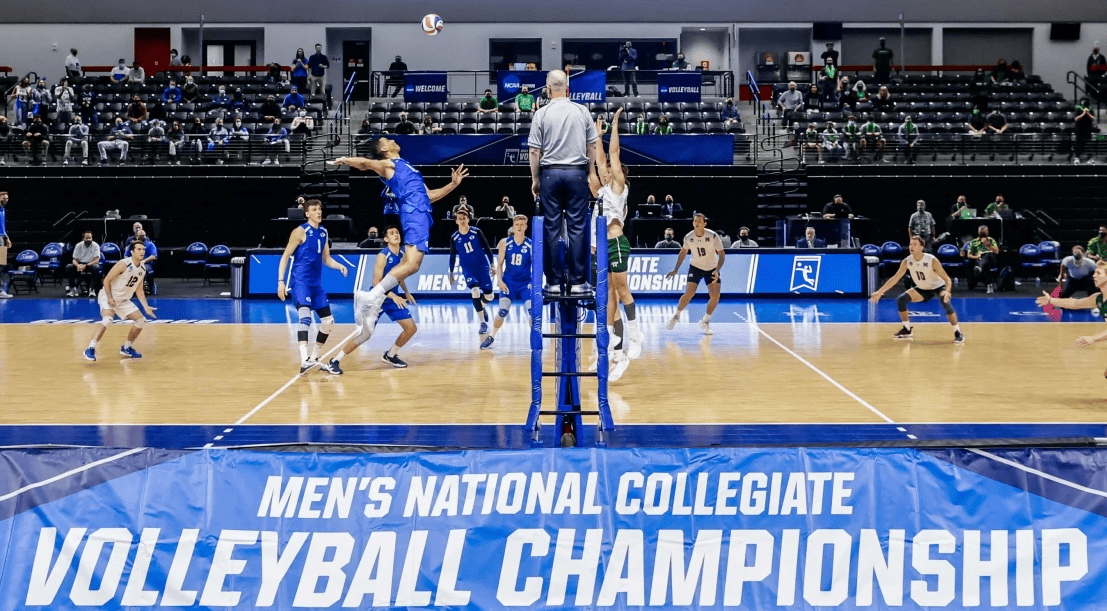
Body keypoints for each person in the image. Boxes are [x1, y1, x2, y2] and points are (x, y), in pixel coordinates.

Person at [331, 142, 468, 341]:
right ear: (385, 149)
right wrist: (344, 160)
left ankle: (372, 297)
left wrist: (453, 185)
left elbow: (429, 196)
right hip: (414, 214)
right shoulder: (389, 165)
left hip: (421, 213)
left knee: (411, 265)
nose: (393, 140)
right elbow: (365, 163)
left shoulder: (406, 166)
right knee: (412, 264)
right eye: (387, 140)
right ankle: (370, 297)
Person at [528, 69, 599, 295]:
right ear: (567, 87)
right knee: (578, 228)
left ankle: (554, 283)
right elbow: (593, 145)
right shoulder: (582, 110)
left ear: (548, 89)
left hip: (550, 174)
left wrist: (535, 180)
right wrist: (589, 173)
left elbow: (533, 151)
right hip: (576, 172)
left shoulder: (541, 113)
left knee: (551, 228)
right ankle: (579, 283)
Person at [585, 107, 639, 379]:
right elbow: (599, 159)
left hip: (614, 243)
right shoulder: (601, 190)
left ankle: (627, 345)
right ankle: (610, 352)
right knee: (607, 303)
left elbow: (612, 155)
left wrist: (615, 124)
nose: (605, 169)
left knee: (617, 297)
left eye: (610, 169)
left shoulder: (618, 188)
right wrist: (596, 136)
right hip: (599, 250)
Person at [328, 226, 417, 373]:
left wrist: (406, 292)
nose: (396, 235)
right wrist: (394, 296)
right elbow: (376, 282)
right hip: (378, 298)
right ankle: (334, 361)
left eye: (397, 233)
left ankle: (390, 355)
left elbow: (399, 276)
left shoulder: (403, 255)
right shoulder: (383, 255)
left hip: (393, 299)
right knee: (365, 335)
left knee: (411, 328)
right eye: (392, 233)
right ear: (386, 239)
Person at [276, 199, 349, 374]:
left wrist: (339, 265)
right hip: (301, 282)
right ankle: (303, 360)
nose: (319, 212)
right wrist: (281, 282)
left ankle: (314, 358)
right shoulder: (300, 231)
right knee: (305, 319)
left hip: (316, 285)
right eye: (314, 209)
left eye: (320, 209)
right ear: (307, 213)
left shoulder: (323, 232)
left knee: (329, 322)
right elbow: (285, 256)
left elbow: (326, 259)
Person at [870, 235, 963, 343]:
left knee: (944, 301)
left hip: (938, 286)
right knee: (901, 299)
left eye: (914, 244)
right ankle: (907, 329)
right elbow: (895, 278)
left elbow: (947, 279)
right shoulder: (907, 261)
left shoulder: (931, 260)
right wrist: (880, 292)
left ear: (921, 247)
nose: (911, 246)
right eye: (910, 244)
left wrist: (947, 291)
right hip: (923, 288)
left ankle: (957, 332)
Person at [83, 241, 157, 361]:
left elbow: (139, 291)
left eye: (143, 249)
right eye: (138, 249)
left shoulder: (142, 268)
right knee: (107, 319)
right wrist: (110, 297)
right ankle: (90, 348)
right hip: (109, 295)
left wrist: (146, 307)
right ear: (132, 252)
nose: (142, 251)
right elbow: (106, 281)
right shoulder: (123, 264)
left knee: (141, 321)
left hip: (123, 300)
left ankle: (126, 347)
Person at [1036, 262, 1107, 375]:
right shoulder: (1098, 298)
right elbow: (1075, 303)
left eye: (1098, 273)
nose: (1094, 276)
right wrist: (1051, 300)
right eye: (1094, 273)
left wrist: (1094, 338)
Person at [665, 213, 725, 334]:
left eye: (699, 221)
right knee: (689, 293)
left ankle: (705, 321)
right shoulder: (688, 237)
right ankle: (676, 316)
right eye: (695, 221)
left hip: (711, 268)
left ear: (704, 224)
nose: (696, 223)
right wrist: (676, 269)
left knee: (715, 296)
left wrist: (717, 270)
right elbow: (683, 253)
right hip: (696, 267)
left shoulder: (713, 236)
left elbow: (722, 255)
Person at [483, 214, 533, 350]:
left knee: (533, 312)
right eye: (517, 224)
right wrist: (499, 281)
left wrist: (534, 282)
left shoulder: (531, 244)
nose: (519, 227)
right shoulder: (505, 243)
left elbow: (537, 265)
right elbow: (499, 265)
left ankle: (534, 338)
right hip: (509, 283)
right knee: (502, 311)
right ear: (513, 226)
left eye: (522, 224)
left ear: (526, 226)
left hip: (525, 284)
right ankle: (491, 336)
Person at [449, 208, 497, 338]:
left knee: (490, 295)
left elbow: (487, 247)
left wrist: (492, 264)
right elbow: (452, 256)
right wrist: (451, 273)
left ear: (468, 219)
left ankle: (481, 306)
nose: (462, 220)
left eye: (464, 218)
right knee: (474, 290)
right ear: (456, 221)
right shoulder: (454, 237)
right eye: (459, 218)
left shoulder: (476, 232)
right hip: (468, 268)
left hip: (482, 266)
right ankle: (482, 323)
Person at [65, 230, 101, 297]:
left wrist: (86, 265)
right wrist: (78, 265)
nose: (88, 239)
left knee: (96, 267)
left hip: (90, 264)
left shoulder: (96, 245)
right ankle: (73, 289)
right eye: (86, 238)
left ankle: (92, 290)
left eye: (90, 238)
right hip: (80, 264)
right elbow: (74, 260)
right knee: (69, 267)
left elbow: (96, 260)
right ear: (83, 238)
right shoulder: (78, 245)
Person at [967, 224, 1001, 293]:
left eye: (984, 232)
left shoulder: (991, 240)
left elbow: (997, 252)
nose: (983, 233)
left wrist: (988, 245)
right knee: (985, 264)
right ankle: (989, 285)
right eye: (981, 232)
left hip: (992, 260)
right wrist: (976, 257)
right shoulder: (974, 242)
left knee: (987, 254)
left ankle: (979, 268)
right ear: (978, 232)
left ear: (987, 232)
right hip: (979, 259)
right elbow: (969, 255)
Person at [1073, 99, 1096, 165]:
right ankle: (1077, 158)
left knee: (1089, 144)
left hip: (1088, 129)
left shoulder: (1090, 109)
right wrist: (1083, 113)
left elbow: (1092, 118)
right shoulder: (1078, 109)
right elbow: (1076, 118)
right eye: (1083, 102)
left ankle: (1090, 158)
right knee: (1079, 143)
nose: (1084, 103)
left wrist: (1087, 113)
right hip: (1079, 129)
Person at [0, 192, 11, 298]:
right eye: (4, 198)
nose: (6, 200)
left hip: (1, 238)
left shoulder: (3, 210)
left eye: (7, 198)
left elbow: (2, 226)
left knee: (2, 264)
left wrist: (7, 238)